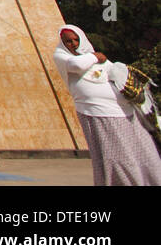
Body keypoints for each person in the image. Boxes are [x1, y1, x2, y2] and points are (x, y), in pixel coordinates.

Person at [54, 24, 161, 186]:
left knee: (146, 154)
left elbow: (117, 73)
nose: (74, 44)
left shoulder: (97, 57)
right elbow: (77, 66)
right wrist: (96, 57)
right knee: (117, 159)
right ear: (62, 42)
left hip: (126, 112)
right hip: (97, 113)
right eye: (68, 41)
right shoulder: (62, 56)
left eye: (76, 39)